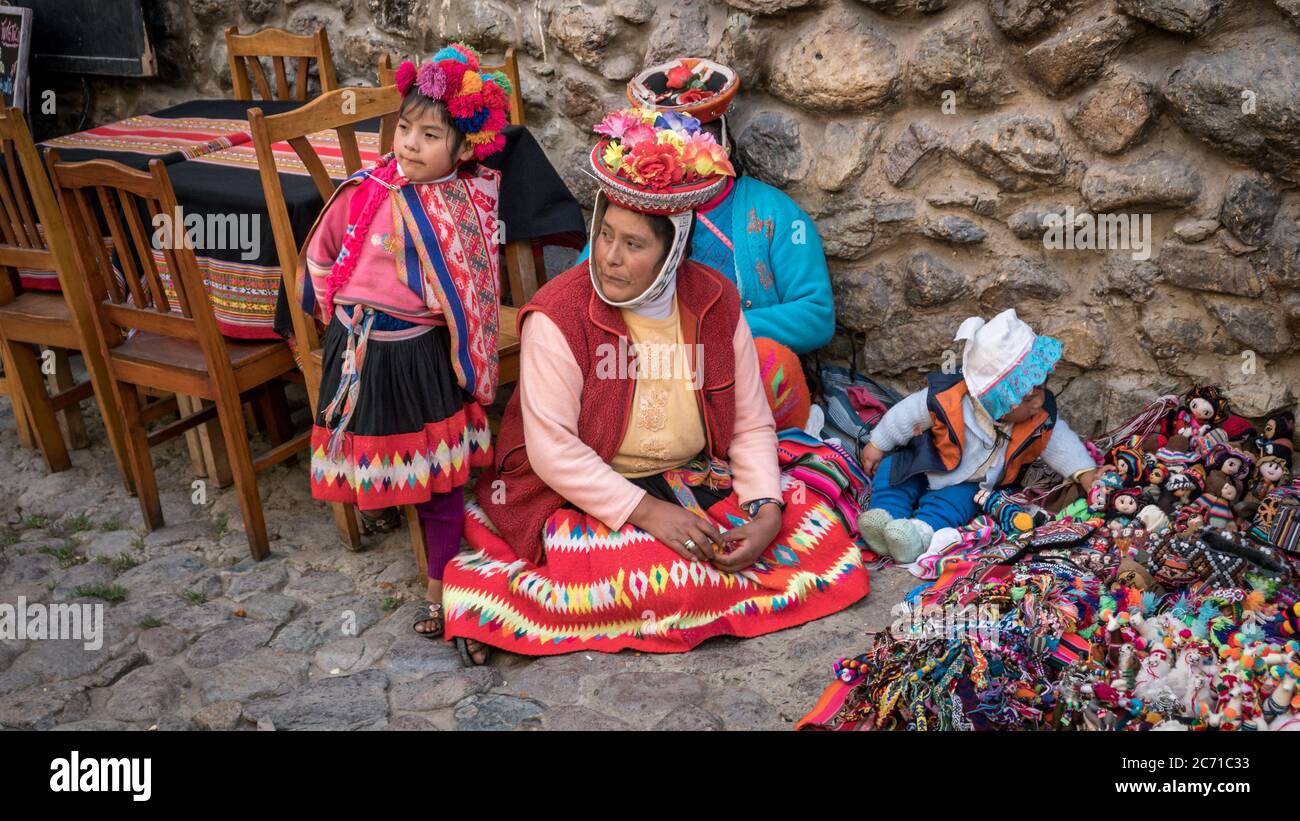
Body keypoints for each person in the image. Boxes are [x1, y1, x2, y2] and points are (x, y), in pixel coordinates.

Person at [440, 107, 870, 664]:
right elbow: (552, 450)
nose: (610, 258)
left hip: (692, 475)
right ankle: (503, 596)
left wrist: (764, 509)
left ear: (672, 253)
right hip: (592, 493)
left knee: (811, 519)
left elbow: (750, 420)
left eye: (634, 245)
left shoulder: (714, 301)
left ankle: (702, 570)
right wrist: (648, 513)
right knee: (657, 574)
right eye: (605, 235)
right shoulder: (558, 315)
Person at [298, 43, 510, 642]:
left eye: (430, 134)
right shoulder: (366, 187)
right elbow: (322, 251)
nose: (410, 143)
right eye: (405, 129)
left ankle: (441, 591)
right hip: (358, 347)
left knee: (438, 484)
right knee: (381, 457)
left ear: (463, 147)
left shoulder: (465, 206)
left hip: (417, 359)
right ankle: (396, 520)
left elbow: (470, 292)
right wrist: (328, 309)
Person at [572, 58, 834, 431]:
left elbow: (817, 317)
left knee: (771, 361)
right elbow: (582, 289)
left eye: (698, 138)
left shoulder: (775, 214)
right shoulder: (633, 211)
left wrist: (712, 329)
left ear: (722, 142)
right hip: (649, 367)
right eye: (670, 142)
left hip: (738, 369)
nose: (683, 154)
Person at [857, 309, 1105, 563]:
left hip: (968, 483)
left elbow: (1060, 443)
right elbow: (906, 414)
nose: (1039, 402)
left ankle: (917, 535)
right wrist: (878, 443)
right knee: (892, 472)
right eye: (1029, 397)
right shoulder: (947, 398)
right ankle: (885, 517)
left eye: (1041, 389)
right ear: (999, 400)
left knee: (954, 506)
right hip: (924, 459)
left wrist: (1085, 472)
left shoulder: (1038, 419)